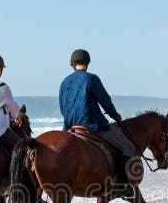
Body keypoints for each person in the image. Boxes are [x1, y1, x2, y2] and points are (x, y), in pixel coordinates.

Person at [58, 48, 139, 188]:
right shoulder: (92, 78)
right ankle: (120, 186)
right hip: (93, 126)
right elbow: (105, 102)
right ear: (87, 63)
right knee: (128, 147)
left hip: (70, 128)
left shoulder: (64, 82)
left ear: (72, 64)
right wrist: (117, 117)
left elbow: (62, 108)